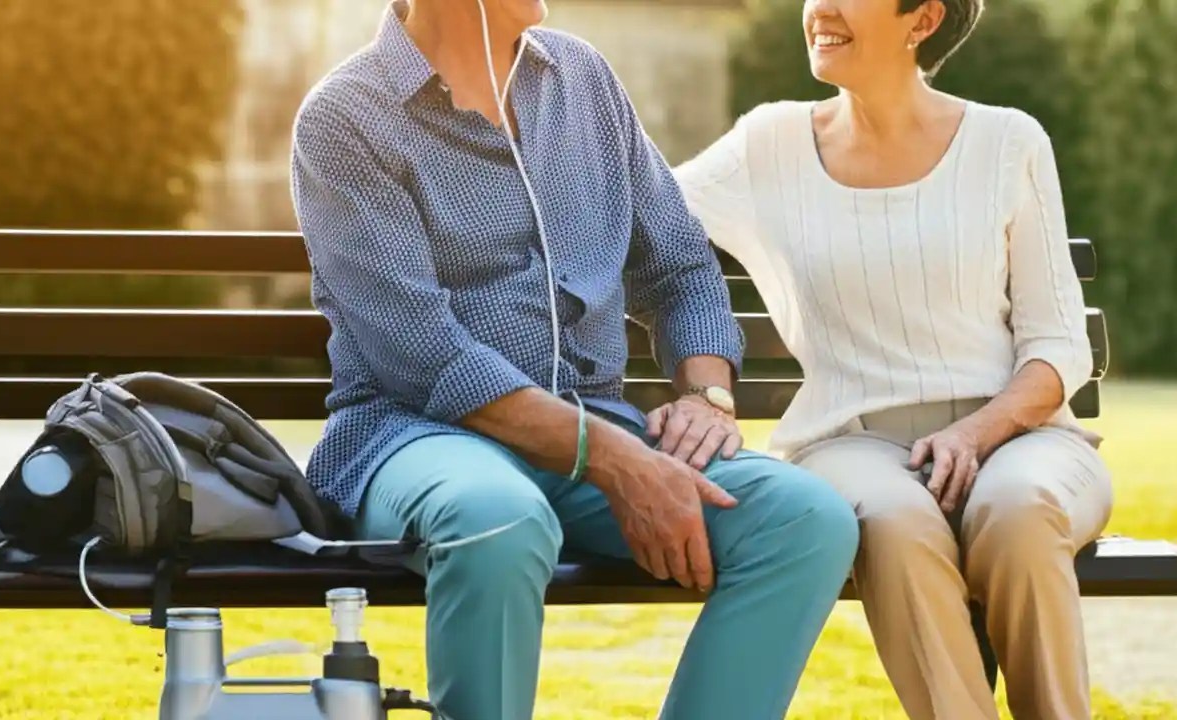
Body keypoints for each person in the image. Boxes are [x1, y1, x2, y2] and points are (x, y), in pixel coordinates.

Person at [289, 1, 860, 719]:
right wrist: (618, 461)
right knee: (498, 519)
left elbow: (681, 266)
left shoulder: (582, 80)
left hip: (595, 427)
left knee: (805, 520)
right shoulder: (344, 120)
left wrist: (704, 397)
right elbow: (424, 355)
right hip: (417, 436)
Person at [673, 1, 1113, 719]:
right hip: (851, 444)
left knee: (1019, 514)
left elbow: (1058, 345)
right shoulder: (768, 144)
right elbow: (636, 218)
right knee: (892, 522)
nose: (821, 9)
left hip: (1022, 439)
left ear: (924, 17)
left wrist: (976, 435)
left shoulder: (1007, 142)